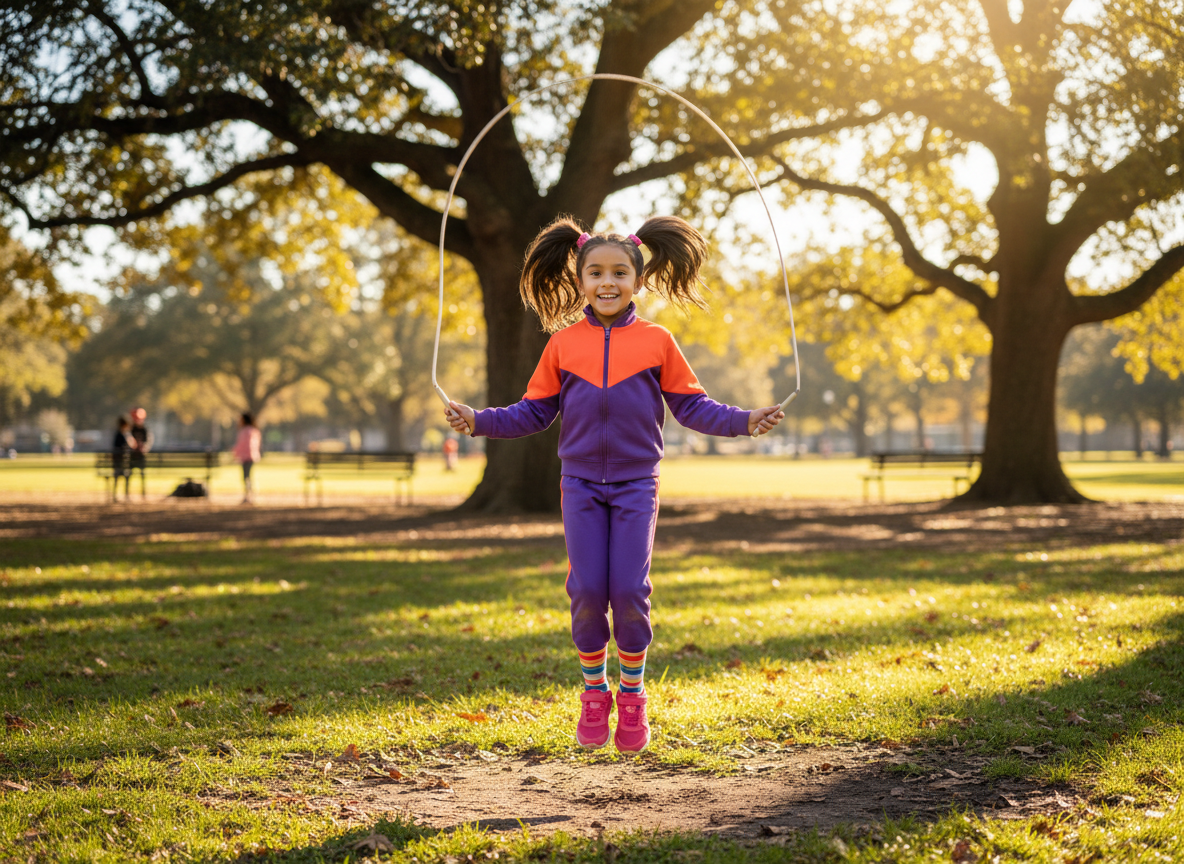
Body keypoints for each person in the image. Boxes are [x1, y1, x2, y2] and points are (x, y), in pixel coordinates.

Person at [445, 216, 784, 753]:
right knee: (587, 591)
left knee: (627, 591)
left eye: (620, 272)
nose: (608, 281)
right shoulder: (562, 345)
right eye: (596, 272)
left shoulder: (657, 341)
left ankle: (632, 695)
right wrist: (477, 419)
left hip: (635, 485)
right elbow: (532, 413)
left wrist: (745, 419)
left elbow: (693, 406)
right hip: (579, 484)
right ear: (579, 280)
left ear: (639, 281)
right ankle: (592, 691)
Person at [232, 412, 262, 504]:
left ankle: (248, 495)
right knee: (248, 476)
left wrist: (235, 452)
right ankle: (250, 494)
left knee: (246, 476)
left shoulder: (244, 431)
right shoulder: (255, 430)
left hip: (245, 456)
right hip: (252, 456)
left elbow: (241, 444)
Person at [129, 406, 153, 499]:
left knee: (141, 474)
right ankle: (129, 493)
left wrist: (144, 447)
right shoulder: (133, 429)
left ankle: (143, 493)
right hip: (134, 455)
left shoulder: (143, 429)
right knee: (131, 474)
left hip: (140, 455)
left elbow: (147, 441)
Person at [111, 416, 134, 502]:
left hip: (118, 463)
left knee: (118, 476)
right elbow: (127, 447)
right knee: (126, 475)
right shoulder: (123, 436)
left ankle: (115, 495)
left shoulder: (118, 435)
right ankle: (125, 495)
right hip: (121, 463)